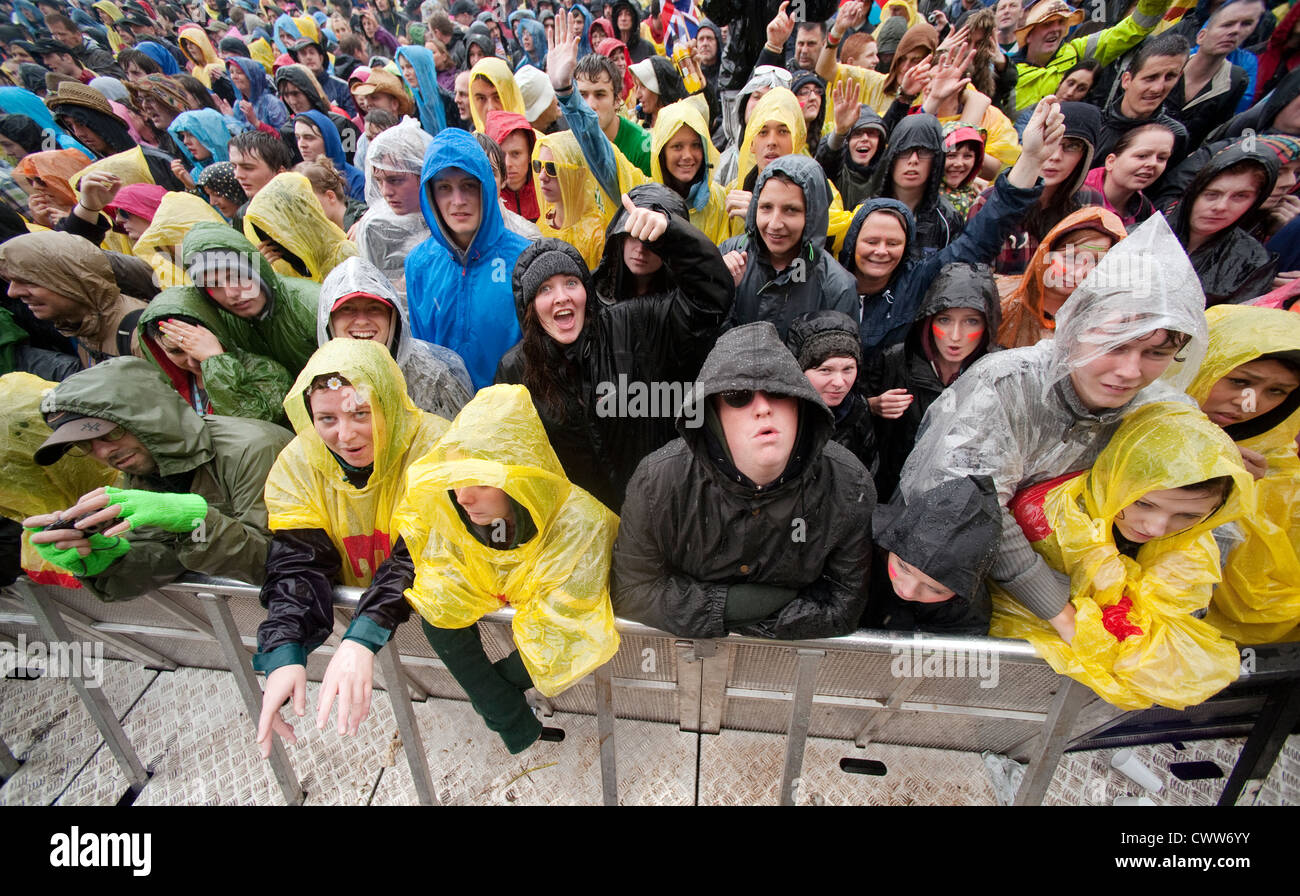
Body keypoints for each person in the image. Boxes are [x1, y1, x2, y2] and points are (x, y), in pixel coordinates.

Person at [898, 214, 1209, 644]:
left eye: (1155, 353)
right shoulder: (1006, 385)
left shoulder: (1160, 410)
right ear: (1077, 326)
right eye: (1115, 346)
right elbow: (965, 501)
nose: (1130, 371)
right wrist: (1058, 611)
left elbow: (1201, 517)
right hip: (973, 595)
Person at [310, 384, 620, 753]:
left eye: (480, 480)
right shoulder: (453, 519)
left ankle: (508, 717)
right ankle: (515, 721)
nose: (462, 496)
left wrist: (493, 695)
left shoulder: (581, 525)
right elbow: (440, 609)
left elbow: (568, 628)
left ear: (520, 476)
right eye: (455, 476)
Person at [611, 320, 875, 639]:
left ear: (799, 403)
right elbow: (633, 592)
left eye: (778, 392)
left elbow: (842, 608)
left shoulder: (848, 484)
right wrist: (737, 607)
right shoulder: (658, 481)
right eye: (738, 396)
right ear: (713, 413)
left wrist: (714, 612)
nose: (763, 408)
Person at [252, 339, 449, 758]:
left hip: (429, 614)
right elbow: (297, 567)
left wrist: (361, 638)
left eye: (361, 413)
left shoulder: (436, 446)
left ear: (390, 404)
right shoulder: (298, 465)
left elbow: (422, 552)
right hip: (370, 618)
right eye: (326, 418)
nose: (345, 435)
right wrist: (285, 648)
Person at [990, 402, 1248, 711]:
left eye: (1187, 515)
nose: (1156, 527)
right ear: (1113, 477)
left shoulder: (1196, 546)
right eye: (1143, 504)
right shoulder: (1052, 520)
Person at [496, 195, 732, 510]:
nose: (561, 298)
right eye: (545, 289)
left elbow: (709, 300)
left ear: (586, 292)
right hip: (579, 527)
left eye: (570, 283)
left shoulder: (630, 323)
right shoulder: (515, 369)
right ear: (529, 308)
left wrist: (671, 236)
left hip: (650, 510)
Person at [22, 356, 290, 600]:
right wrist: (105, 559)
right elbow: (167, 558)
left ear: (148, 417)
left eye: (111, 433)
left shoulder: (253, 448)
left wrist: (194, 520)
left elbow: (282, 563)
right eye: (86, 445)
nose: (103, 452)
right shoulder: (144, 467)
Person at [844, 97, 1066, 353]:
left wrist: (1030, 160)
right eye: (871, 241)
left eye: (893, 243)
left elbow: (979, 238)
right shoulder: (829, 283)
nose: (881, 250)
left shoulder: (914, 281)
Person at [1189, 304, 1300, 644]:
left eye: (1277, 392)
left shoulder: (1277, 465)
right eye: (1240, 381)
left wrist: (1245, 493)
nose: (1250, 404)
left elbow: (1268, 584)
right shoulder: (1116, 425)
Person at [863, 263, 1002, 503]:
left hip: (965, 504)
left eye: (971, 322)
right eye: (945, 320)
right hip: (893, 502)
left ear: (986, 325)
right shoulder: (895, 361)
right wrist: (871, 406)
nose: (955, 336)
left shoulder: (998, 371)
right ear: (928, 321)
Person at [406, 127, 528, 390]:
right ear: (430, 195)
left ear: (485, 187)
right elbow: (421, 356)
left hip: (513, 416)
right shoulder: (418, 264)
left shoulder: (525, 258)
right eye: (445, 188)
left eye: (469, 186)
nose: (458, 201)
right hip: (448, 418)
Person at [720, 153, 857, 338]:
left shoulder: (837, 289)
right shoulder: (728, 254)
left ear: (813, 216)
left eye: (791, 210)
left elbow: (837, 360)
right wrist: (718, 291)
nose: (775, 224)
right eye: (766, 207)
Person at [318, 257, 472, 418]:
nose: (362, 321)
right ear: (329, 320)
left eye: (374, 309)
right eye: (348, 309)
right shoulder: (316, 381)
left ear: (393, 317)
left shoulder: (438, 375)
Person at [967, 100, 1105, 277]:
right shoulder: (991, 201)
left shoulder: (1090, 204)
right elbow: (971, 276)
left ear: (1085, 156)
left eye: (1071, 146)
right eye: (1048, 141)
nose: (1055, 156)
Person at [863, 475, 1002, 635]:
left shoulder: (963, 611)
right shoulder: (857, 535)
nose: (908, 591)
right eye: (903, 567)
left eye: (934, 589)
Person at [136, 286, 293, 424]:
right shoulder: (164, 390)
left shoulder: (267, 371)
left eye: (197, 344)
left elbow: (253, 424)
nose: (192, 361)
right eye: (177, 351)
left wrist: (216, 361)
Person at [182, 221, 319, 374]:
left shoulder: (311, 304)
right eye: (214, 284)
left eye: (236, 275)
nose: (230, 293)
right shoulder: (224, 322)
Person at [0, 230, 147, 369]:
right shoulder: (83, 323)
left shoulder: (141, 335)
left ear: (71, 280)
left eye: (27, 281)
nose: (12, 292)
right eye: (9, 281)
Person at [1161, 140, 1279, 305]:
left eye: (1240, 196)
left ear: (1256, 201)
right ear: (1194, 192)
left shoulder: (1253, 262)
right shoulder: (1143, 234)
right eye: (1212, 194)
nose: (1221, 207)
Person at [1011, 0, 1176, 116]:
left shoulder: (1078, 52)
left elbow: (1135, 28)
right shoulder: (1007, 72)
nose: (1056, 29)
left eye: (1061, 22)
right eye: (1047, 24)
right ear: (1029, 35)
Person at [996, 206, 1128, 349]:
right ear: (1047, 252)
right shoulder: (1001, 299)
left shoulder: (1104, 319)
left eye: (1095, 261)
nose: (1077, 273)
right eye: (1070, 257)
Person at [785, 310, 877, 476]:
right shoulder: (780, 416)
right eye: (826, 370)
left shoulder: (858, 409)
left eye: (848, 369)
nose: (839, 383)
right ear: (799, 370)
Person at [864, 112, 966, 255]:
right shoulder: (865, 211)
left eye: (923, 151)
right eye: (905, 151)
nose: (913, 160)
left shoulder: (948, 220)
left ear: (936, 159)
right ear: (891, 157)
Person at [354, 118, 433, 301]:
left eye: (395, 180)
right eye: (379, 181)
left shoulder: (451, 216)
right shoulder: (375, 227)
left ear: (422, 174)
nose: (385, 192)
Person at [243, 171, 360, 283]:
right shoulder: (284, 268)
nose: (273, 239)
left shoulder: (346, 255)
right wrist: (262, 275)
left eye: (276, 230)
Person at [1083, 122, 1175, 227]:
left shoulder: (1144, 210)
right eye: (1142, 156)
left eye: (1162, 158)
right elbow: (1066, 243)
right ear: (1111, 161)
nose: (1153, 163)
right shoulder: (1073, 197)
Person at [292, 110, 365, 201]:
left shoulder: (356, 180)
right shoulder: (297, 178)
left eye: (309, 138)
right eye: (298, 138)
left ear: (328, 140)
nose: (301, 144)